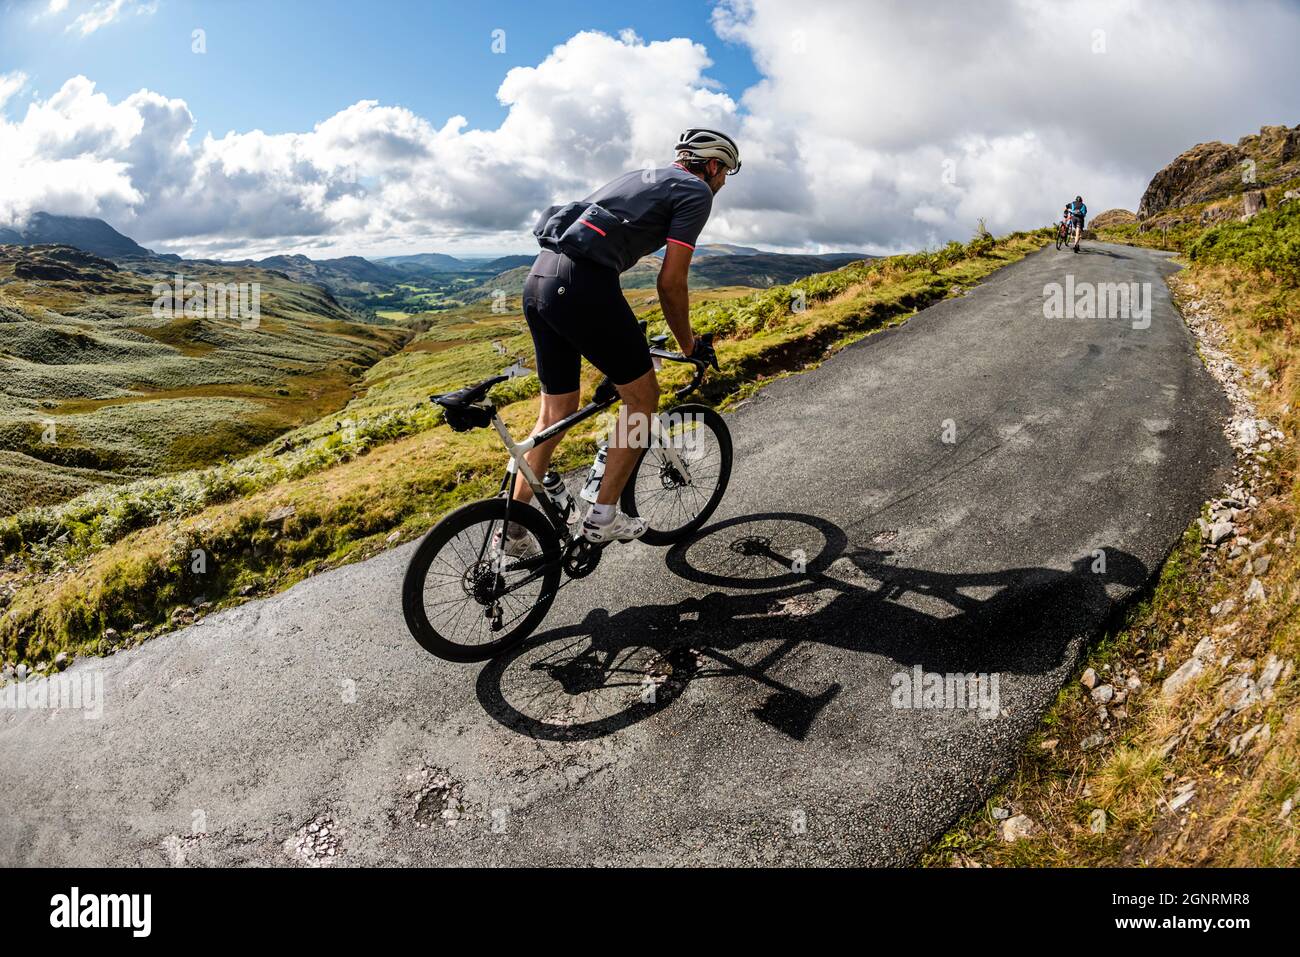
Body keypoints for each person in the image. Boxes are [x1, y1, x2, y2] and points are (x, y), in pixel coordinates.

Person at [498, 129, 740, 555]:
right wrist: (689, 346)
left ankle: (513, 531)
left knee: (555, 413)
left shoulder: (642, 176)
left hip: (539, 280)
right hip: (582, 286)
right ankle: (603, 516)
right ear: (714, 165)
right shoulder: (696, 191)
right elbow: (671, 282)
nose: (722, 185)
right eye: (726, 175)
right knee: (643, 399)